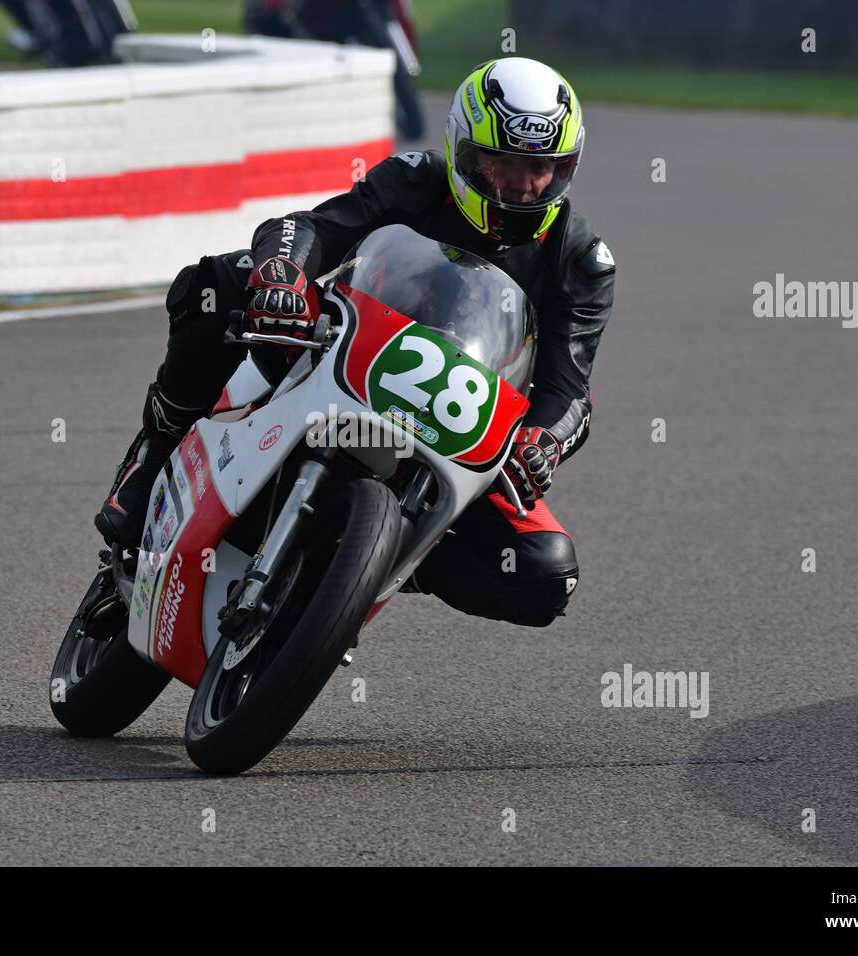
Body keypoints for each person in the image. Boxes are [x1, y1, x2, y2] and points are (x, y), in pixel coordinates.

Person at [96, 57, 615, 628]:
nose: (522, 185)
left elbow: (570, 390)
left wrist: (544, 441)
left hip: (459, 419)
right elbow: (310, 227)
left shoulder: (580, 260)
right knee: (217, 283)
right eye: (502, 163)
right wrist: (283, 274)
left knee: (546, 572)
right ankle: (156, 444)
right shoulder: (416, 180)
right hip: (343, 351)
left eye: (542, 168)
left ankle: (383, 560)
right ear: (464, 150)